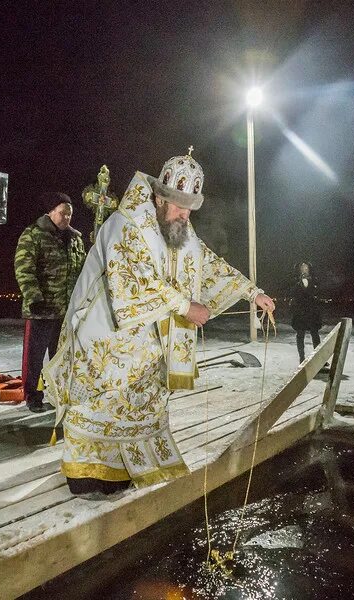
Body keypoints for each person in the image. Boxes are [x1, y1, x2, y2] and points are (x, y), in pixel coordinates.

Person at [42, 152, 276, 496]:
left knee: (139, 405)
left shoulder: (181, 232)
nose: (184, 215)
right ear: (159, 197)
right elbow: (133, 278)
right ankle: (83, 473)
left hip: (150, 344)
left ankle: (122, 469)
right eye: (179, 207)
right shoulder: (126, 224)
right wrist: (185, 306)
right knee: (100, 405)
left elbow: (210, 264)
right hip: (106, 335)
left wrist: (252, 293)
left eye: (190, 209)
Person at [14, 192, 85, 413]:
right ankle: (33, 395)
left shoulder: (75, 239)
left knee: (61, 357)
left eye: (70, 215)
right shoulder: (33, 235)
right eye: (63, 214)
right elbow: (24, 268)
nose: (67, 218)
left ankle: (58, 393)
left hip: (66, 311)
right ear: (51, 212)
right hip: (42, 309)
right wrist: (34, 298)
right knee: (35, 357)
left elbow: (82, 270)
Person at [290, 262, 322, 363]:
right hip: (300, 311)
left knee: (315, 334)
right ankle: (301, 357)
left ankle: (319, 358)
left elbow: (317, 292)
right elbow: (292, 292)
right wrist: (299, 283)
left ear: (309, 269)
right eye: (302, 268)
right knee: (300, 334)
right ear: (299, 269)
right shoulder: (295, 280)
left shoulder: (315, 280)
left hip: (312, 311)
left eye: (306, 268)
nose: (304, 269)